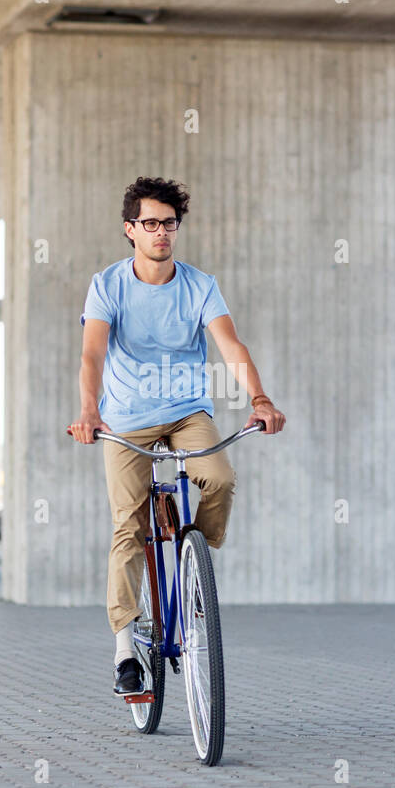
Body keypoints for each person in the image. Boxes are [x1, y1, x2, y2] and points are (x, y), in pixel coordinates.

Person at [67, 176, 286, 696]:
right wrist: (89, 411)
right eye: (151, 224)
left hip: (188, 410)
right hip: (125, 416)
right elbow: (93, 352)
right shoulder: (108, 285)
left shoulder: (199, 285)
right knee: (129, 527)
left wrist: (259, 398)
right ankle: (125, 650)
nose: (162, 232)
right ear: (130, 229)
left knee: (219, 478)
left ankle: (195, 570)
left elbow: (230, 346)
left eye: (170, 223)